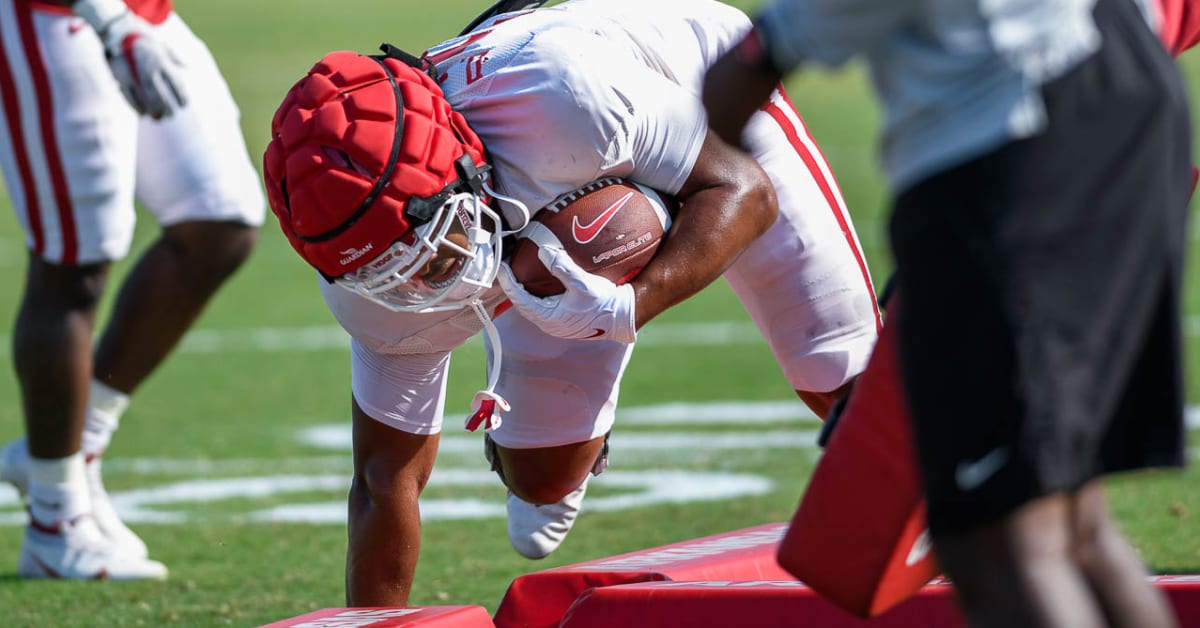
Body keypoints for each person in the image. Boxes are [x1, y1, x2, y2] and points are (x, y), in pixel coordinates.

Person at [263, 0, 881, 606]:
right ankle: (583, 263)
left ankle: (963, 519)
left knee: (841, 374)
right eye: (387, 275)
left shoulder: (563, 97)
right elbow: (383, 481)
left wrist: (627, 306)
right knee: (541, 480)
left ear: (466, 168)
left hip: (693, 96)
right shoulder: (368, 282)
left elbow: (744, 189)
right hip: (539, 203)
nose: (422, 287)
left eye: (431, 252)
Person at [703, 0, 1191, 627]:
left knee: (1001, 537)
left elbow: (753, 65)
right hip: (1124, 99)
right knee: (1070, 515)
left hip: (1016, 135)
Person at [0, 0, 264, 580]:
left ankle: (76, 441)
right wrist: (111, 22)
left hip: (148, 16)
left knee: (222, 220)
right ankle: (54, 520)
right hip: (53, 17)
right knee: (75, 267)